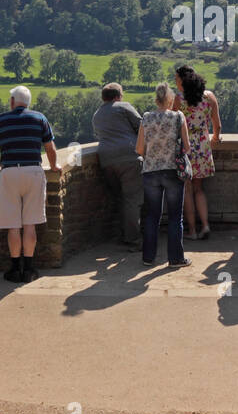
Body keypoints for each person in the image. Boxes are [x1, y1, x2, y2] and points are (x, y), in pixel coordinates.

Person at [0, 86, 59, 283]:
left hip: (10, 172)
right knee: (30, 224)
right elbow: (50, 147)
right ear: (27, 102)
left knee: (13, 225)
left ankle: (14, 269)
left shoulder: (1, 119)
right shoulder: (40, 118)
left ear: (12, 101)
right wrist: (54, 166)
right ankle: (28, 269)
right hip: (34, 171)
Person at [135, 83, 192, 269]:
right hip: (173, 170)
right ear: (170, 99)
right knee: (175, 216)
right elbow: (187, 146)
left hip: (150, 171)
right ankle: (175, 259)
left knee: (152, 216)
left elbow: (139, 149)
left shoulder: (146, 118)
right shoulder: (178, 117)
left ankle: (148, 258)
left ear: (155, 99)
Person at [91, 82, 143, 252]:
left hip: (106, 159)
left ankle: (122, 234)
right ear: (117, 96)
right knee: (132, 199)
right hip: (129, 156)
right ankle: (133, 240)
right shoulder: (123, 106)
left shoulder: (97, 114)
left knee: (119, 198)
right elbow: (142, 126)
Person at [173, 65, 221, 241]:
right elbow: (217, 125)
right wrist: (215, 138)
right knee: (199, 189)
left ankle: (192, 230)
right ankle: (206, 225)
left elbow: (173, 124)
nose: (175, 82)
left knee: (187, 189)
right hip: (203, 146)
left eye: (176, 79)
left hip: (185, 147)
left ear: (182, 81)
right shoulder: (209, 97)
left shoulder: (179, 99)